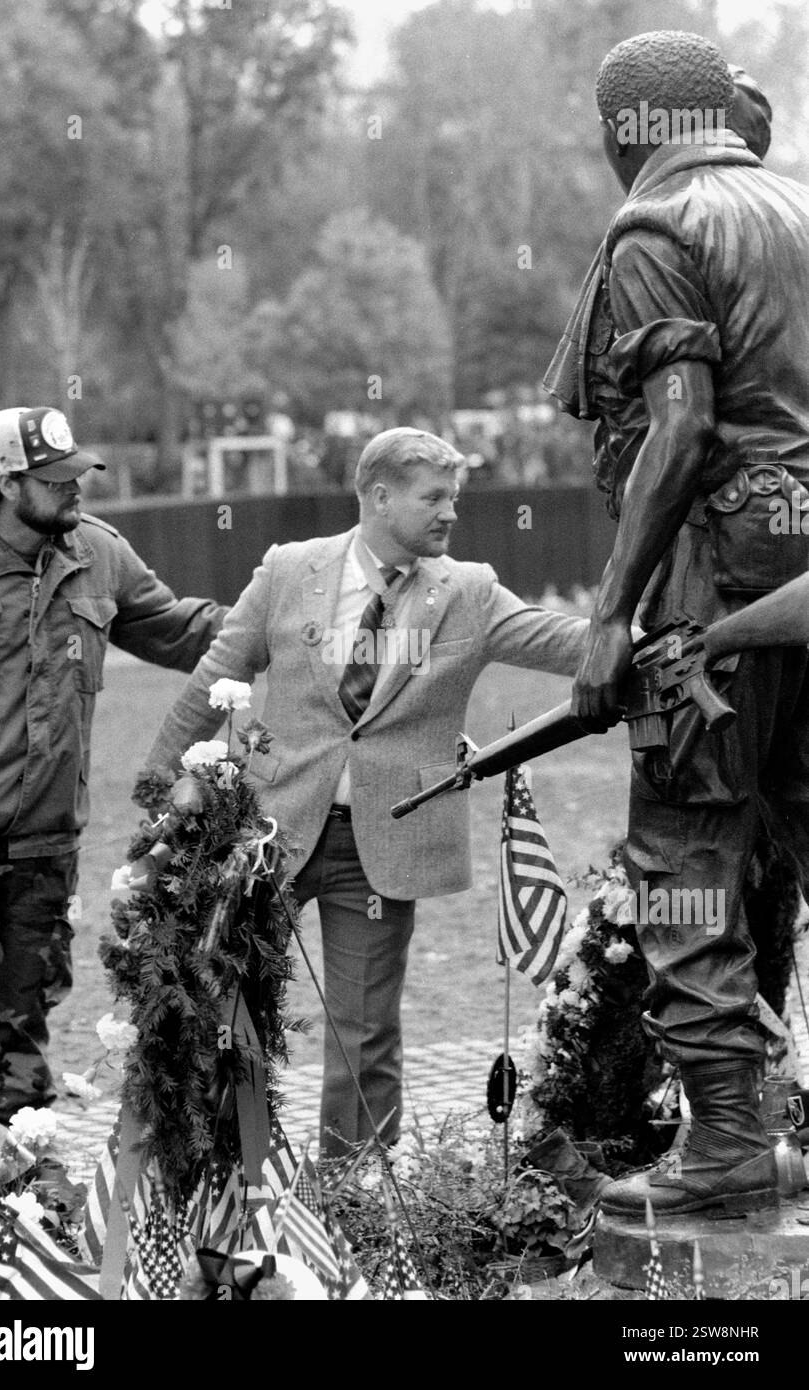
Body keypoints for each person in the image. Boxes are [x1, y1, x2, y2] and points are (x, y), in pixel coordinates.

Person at [145, 426, 589, 1157]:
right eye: (434, 497)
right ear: (379, 497)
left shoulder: (467, 592)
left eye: (455, 497)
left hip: (384, 843)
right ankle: (237, 1175)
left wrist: (663, 636)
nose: (451, 512)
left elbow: (566, 642)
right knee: (233, 1010)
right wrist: (158, 794)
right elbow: (213, 679)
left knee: (365, 1031)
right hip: (267, 836)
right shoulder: (290, 571)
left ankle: (350, 1202)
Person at [548, 29, 809, 1216]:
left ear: (624, 131)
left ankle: (725, 1155)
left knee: (681, 864)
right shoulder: (796, 205)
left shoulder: (658, 228)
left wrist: (608, 614)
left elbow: (680, 424)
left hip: (716, 586)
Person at [0, 406, 227, 1165]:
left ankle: (20, 1188)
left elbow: (177, 629)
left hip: (44, 841)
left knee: (26, 1027)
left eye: (77, 474)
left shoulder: (97, 554)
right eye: (53, 479)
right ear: (5, 481)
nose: (75, 490)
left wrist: (270, 621)